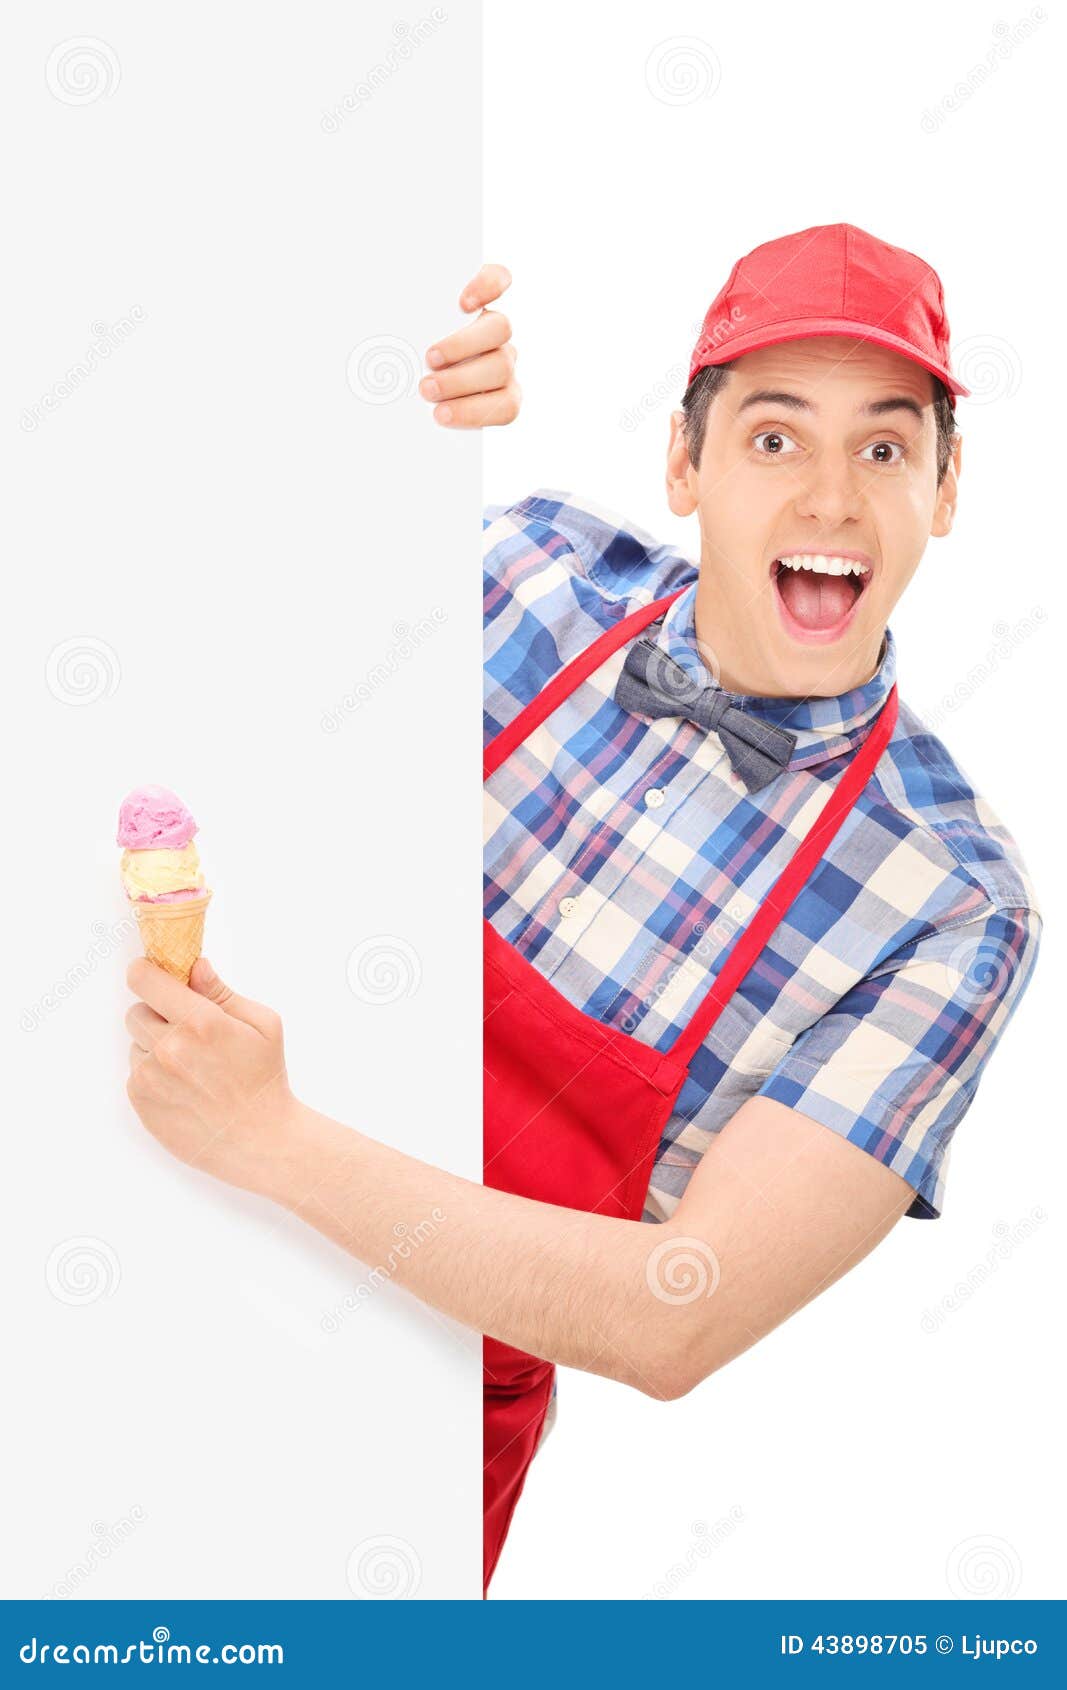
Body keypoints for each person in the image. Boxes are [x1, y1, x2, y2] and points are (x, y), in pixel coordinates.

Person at [124, 225, 1043, 1598]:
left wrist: (271, 1138)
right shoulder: (529, 573)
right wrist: (377, 383)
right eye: (775, 439)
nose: (833, 501)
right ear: (685, 464)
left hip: (401, 1441)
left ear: (947, 491)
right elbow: (216, 618)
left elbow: (678, 1315)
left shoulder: (953, 905)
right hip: (156, 1230)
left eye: (887, 448)